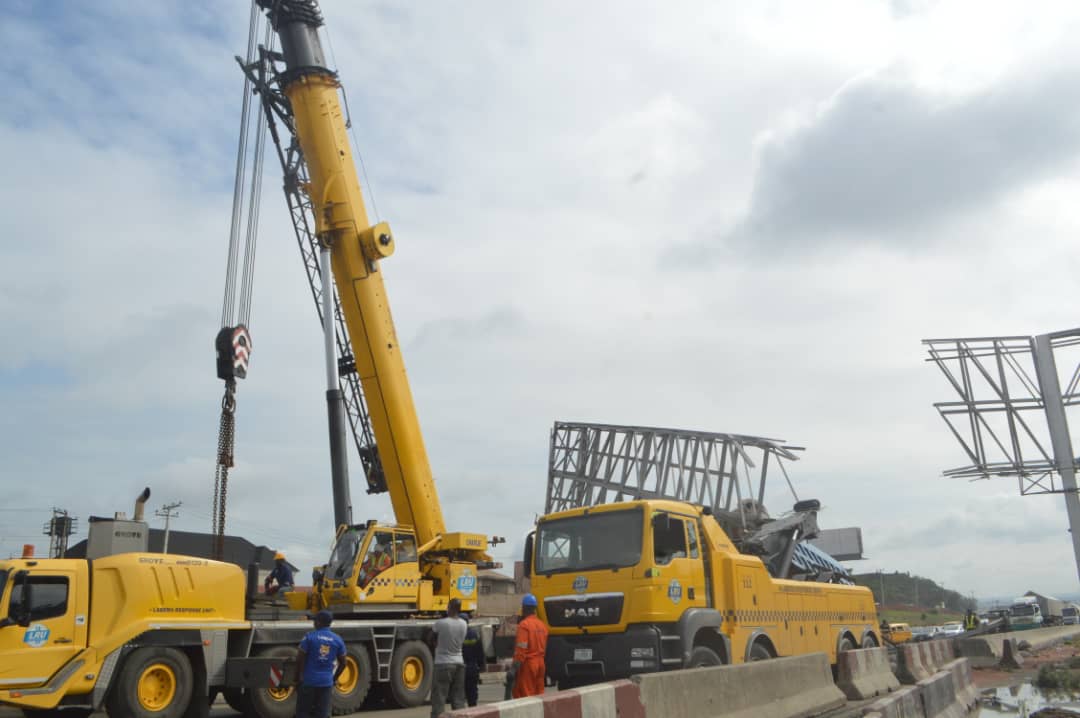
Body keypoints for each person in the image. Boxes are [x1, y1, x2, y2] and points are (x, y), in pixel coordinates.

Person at [295, 610, 346, 718]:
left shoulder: (309, 637)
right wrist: (334, 678)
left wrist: (299, 676)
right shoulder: (338, 639)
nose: (313, 623)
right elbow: (343, 663)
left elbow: (300, 658)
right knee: (322, 714)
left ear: (318, 622)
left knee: (303, 712)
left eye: (314, 620)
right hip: (326, 682)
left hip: (308, 682)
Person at [430, 598, 467, 718]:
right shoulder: (464, 623)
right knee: (458, 699)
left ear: (450, 607)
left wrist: (436, 643)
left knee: (439, 699)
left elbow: (431, 637)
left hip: (443, 663)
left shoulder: (441, 623)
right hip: (459, 664)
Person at [511, 593, 548, 698]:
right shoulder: (542, 625)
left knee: (525, 696)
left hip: (529, 664)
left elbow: (521, 650)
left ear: (524, 608)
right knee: (539, 696)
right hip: (541, 664)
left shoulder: (524, 625)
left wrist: (513, 669)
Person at [461, 616, 485, 707]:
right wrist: (481, 665)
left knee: (460, 693)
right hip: (473, 667)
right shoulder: (474, 634)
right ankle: (473, 709)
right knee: (472, 692)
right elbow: (480, 651)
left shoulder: (458, 634)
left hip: (461, 667)